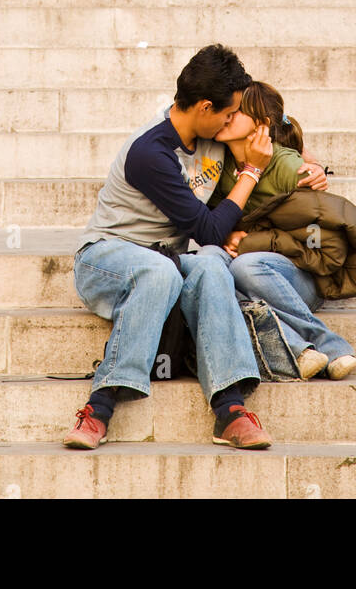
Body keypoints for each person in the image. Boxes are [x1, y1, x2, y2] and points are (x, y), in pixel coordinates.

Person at [63, 44, 278, 451]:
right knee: (167, 268)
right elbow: (208, 230)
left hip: (166, 258)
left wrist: (311, 165)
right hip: (108, 258)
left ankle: (230, 409)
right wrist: (251, 171)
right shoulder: (151, 153)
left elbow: (276, 124)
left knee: (213, 267)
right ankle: (100, 404)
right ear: (204, 107)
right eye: (228, 113)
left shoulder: (214, 133)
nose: (234, 120)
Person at [210, 81, 356, 381]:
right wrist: (226, 235)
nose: (226, 116)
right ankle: (299, 351)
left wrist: (253, 242)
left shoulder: (288, 167)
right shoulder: (219, 164)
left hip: (300, 275)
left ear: (261, 126)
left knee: (246, 264)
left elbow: (326, 243)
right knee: (209, 266)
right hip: (253, 274)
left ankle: (330, 345)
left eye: (236, 112)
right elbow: (211, 219)